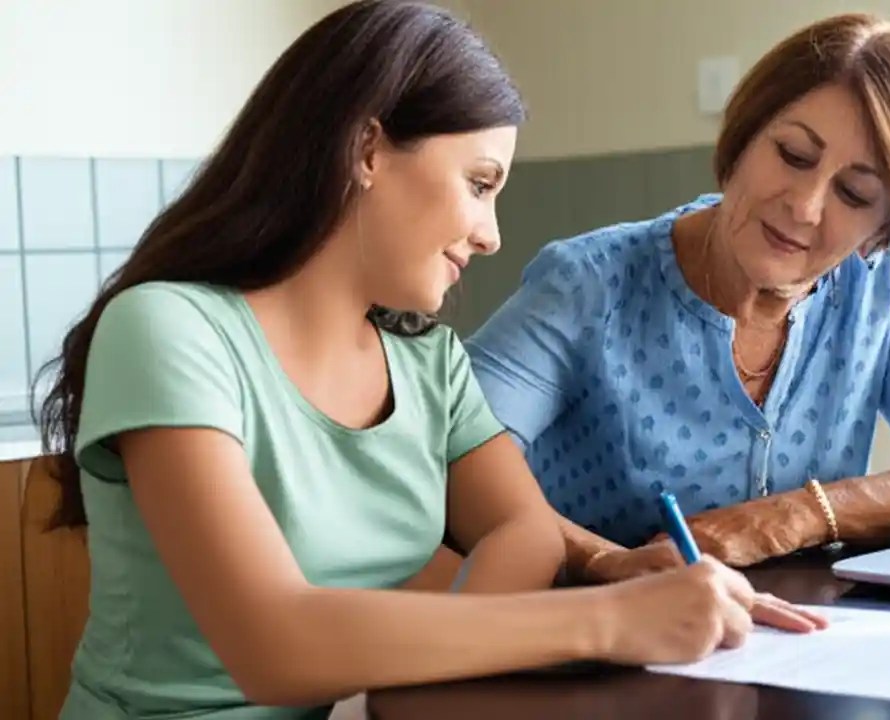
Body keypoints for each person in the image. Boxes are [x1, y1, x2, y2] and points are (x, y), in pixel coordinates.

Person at [35, 3, 822, 719]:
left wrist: (423, 683)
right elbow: (271, 643)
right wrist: (608, 622)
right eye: (479, 185)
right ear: (367, 148)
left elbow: (527, 531)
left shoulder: (428, 362)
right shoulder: (169, 329)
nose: (491, 234)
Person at [465, 13, 890, 584]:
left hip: (785, 644)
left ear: (883, 230)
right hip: (585, 650)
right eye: (793, 155)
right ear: (745, 137)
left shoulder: (885, 292)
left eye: (854, 192)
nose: (806, 205)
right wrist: (605, 562)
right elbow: (446, 460)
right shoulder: (589, 283)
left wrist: (796, 516)